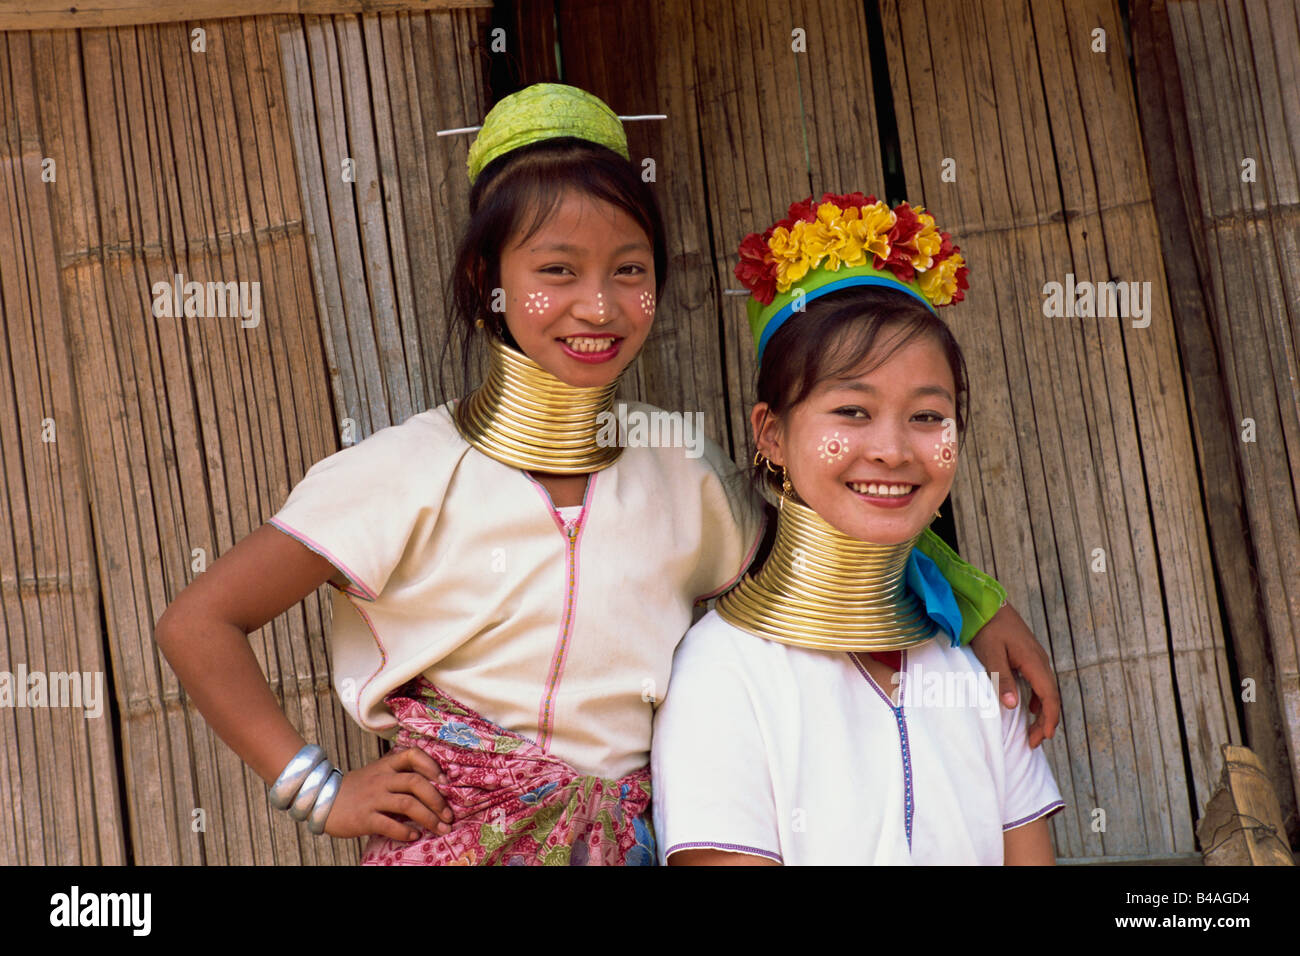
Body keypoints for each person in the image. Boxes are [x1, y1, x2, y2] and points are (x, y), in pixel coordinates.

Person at [153, 88, 1056, 866]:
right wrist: (318, 790)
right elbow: (200, 622)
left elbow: (838, 528)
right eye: (557, 272)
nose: (599, 305)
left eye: (630, 271)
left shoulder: (683, 472)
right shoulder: (401, 475)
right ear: (487, 279)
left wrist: (978, 606)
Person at [652, 192, 1065, 865]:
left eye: (928, 416)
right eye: (851, 410)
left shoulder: (972, 668)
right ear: (773, 435)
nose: (894, 450)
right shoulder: (725, 677)